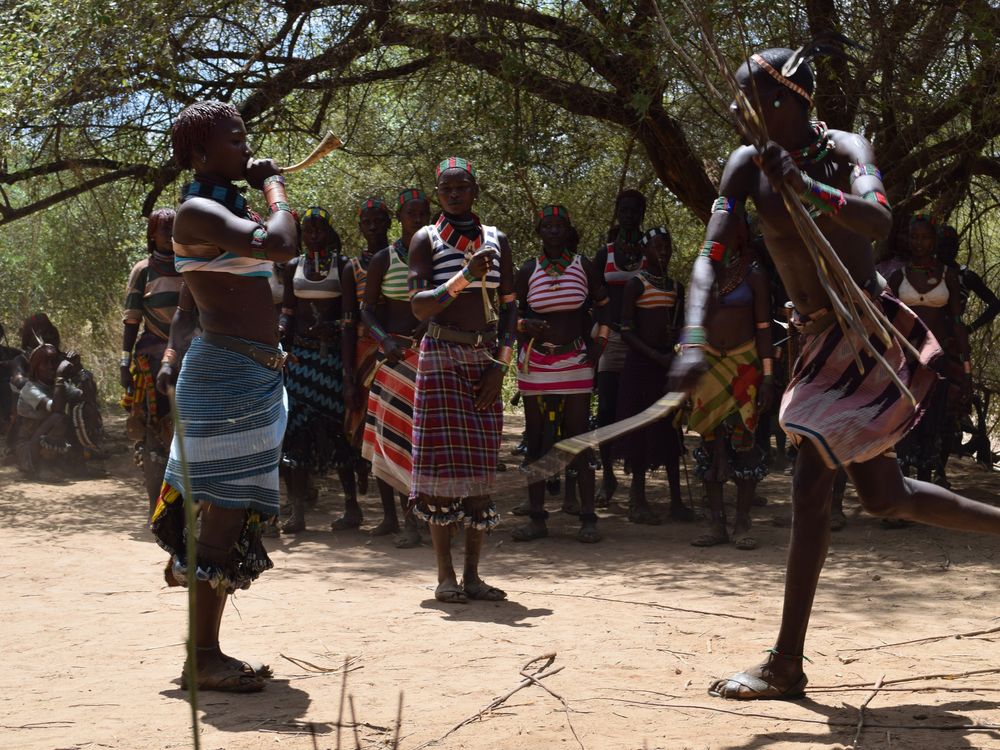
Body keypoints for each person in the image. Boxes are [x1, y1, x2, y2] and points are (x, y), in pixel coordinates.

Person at [670, 48, 1000, 701]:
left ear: (790, 100)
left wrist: (807, 187)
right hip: (820, 340)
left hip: (870, 335)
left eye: (750, 100)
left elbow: (877, 220)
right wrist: (692, 335)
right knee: (885, 497)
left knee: (810, 473)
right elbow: (711, 258)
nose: (740, 113)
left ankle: (786, 662)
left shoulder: (849, 150)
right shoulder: (745, 166)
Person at [151, 99, 297, 693]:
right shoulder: (196, 211)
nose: (245, 148)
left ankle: (204, 642)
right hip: (226, 374)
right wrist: (276, 186)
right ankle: (202, 659)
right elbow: (282, 242)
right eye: (234, 140)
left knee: (228, 508)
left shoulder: (216, 210)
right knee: (225, 509)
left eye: (244, 139)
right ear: (198, 154)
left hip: (249, 372)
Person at [408, 156, 516, 603]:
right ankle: (444, 576)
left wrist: (500, 365)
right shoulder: (426, 239)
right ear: (439, 193)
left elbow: (511, 308)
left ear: (475, 189)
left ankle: (473, 576)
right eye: (446, 188)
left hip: (484, 358)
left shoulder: (497, 240)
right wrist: (463, 277)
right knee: (440, 472)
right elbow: (419, 305)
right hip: (440, 357)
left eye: (462, 187)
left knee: (479, 472)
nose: (454, 194)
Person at [509, 204, 608, 544]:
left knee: (578, 435)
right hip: (535, 364)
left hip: (576, 360)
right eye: (546, 226)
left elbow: (606, 308)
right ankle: (537, 518)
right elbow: (511, 315)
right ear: (539, 232)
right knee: (536, 438)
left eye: (559, 225)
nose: (553, 231)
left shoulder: (585, 267)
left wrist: (600, 346)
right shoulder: (527, 270)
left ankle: (587, 517)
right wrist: (523, 324)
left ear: (568, 230)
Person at [685, 224, 772, 549]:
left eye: (727, 230)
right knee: (710, 443)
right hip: (707, 365)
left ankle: (742, 524)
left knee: (744, 442)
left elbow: (764, 328)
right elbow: (690, 321)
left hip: (745, 366)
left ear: (741, 235)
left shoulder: (754, 274)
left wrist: (768, 376)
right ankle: (716, 524)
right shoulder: (703, 271)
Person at [277, 207, 360, 533]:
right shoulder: (294, 267)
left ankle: (352, 507)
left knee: (338, 434)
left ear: (329, 232)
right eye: (307, 230)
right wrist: (280, 331)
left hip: (331, 362)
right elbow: (287, 311)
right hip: (300, 362)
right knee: (296, 435)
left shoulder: (344, 267)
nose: (313, 235)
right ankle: (297, 512)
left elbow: (352, 317)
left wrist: (334, 327)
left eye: (319, 229)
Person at [361, 188, 431, 547]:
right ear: (400, 218)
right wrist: (383, 340)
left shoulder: (437, 254)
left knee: (424, 441)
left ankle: (429, 517)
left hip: (430, 356)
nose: (417, 219)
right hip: (393, 359)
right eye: (410, 213)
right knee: (391, 438)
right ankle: (401, 520)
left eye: (422, 213)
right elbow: (366, 309)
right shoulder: (384, 259)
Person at [616, 226, 693, 525]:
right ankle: (638, 500)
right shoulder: (636, 284)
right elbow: (625, 330)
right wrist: (654, 354)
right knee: (639, 428)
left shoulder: (676, 287)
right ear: (645, 251)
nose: (664, 251)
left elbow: (684, 323)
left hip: (666, 365)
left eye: (667, 247)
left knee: (669, 429)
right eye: (658, 246)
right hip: (641, 365)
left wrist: (677, 335)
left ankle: (677, 500)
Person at [889, 214, 970, 484]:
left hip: (936, 362)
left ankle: (922, 492)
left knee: (930, 423)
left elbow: (957, 323)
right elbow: (885, 319)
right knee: (902, 424)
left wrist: (966, 367)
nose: (919, 243)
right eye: (914, 237)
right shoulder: (898, 275)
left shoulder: (949, 276)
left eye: (924, 237)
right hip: (904, 361)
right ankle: (900, 494)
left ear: (934, 240)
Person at [121, 208, 183, 517]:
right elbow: (131, 320)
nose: (170, 238)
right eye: (164, 232)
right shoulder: (142, 270)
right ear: (152, 235)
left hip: (189, 356)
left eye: (175, 231)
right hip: (151, 359)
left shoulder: (191, 267)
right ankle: (155, 506)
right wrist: (123, 362)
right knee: (153, 430)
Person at [339, 198, 393, 525]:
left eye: (378, 221)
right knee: (370, 432)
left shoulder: (407, 258)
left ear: (389, 223)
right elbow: (348, 323)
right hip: (363, 354)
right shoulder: (352, 268)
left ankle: (414, 516)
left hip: (398, 350)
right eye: (366, 222)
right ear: (360, 227)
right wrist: (348, 375)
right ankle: (389, 517)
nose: (372, 227)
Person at [592, 191, 646, 506]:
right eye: (623, 209)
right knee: (607, 412)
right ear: (617, 211)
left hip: (642, 343)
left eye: (634, 209)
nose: (628, 214)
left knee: (639, 411)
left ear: (642, 212)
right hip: (610, 339)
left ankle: (638, 483)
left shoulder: (650, 250)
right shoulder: (605, 253)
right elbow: (595, 300)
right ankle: (608, 477)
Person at [7, 313, 103, 471]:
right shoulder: (23, 364)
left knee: (83, 408)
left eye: (48, 331)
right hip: (35, 422)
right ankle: (45, 464)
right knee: (58, 417)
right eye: (40, 332)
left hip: (52, 407)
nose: (51, 367)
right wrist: (49, 381)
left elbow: (85, 395)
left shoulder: (56, 359)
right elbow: (21, 382)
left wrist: (80, 371)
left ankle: (79, 455)